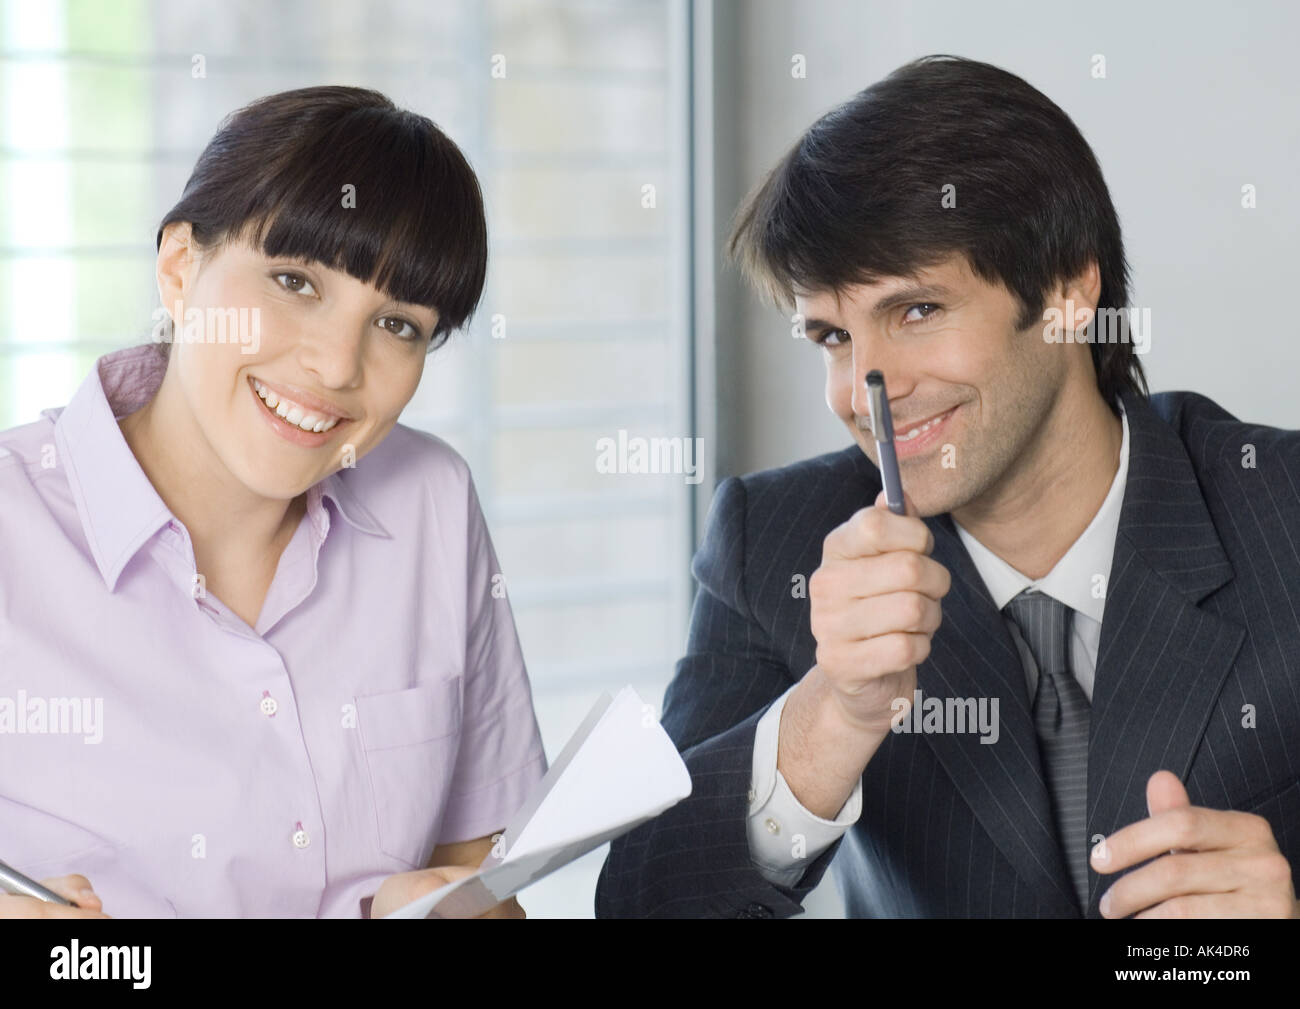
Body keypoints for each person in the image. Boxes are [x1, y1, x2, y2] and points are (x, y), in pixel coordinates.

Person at [596, 55, 1300, 919]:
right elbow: (644, 902)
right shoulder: (773, 544)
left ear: (1070, 292)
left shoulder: (1284, 512)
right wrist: (835, 711)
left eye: (917, 311)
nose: (864, 391)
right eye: (830, 336)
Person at [0, 86, 546, 919]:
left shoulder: (432, 504)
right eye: (295, 279)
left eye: (397, 323)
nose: (335, 365)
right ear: (180, 268)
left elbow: (478, 873)